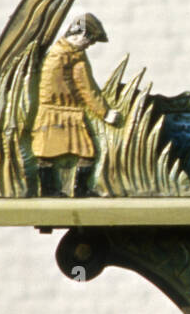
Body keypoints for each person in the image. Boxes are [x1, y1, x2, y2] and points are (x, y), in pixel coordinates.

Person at [31, 13, 122, 197]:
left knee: (46, 154)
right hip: (65, 114)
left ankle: (53, 190)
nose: (90, 45)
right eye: (90, 41)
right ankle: (77, 190)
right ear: (82, 35)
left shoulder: (54, 52)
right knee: (86, 153)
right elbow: (86, 88)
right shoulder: (75, 57)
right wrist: (105, 113)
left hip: (51, 112)